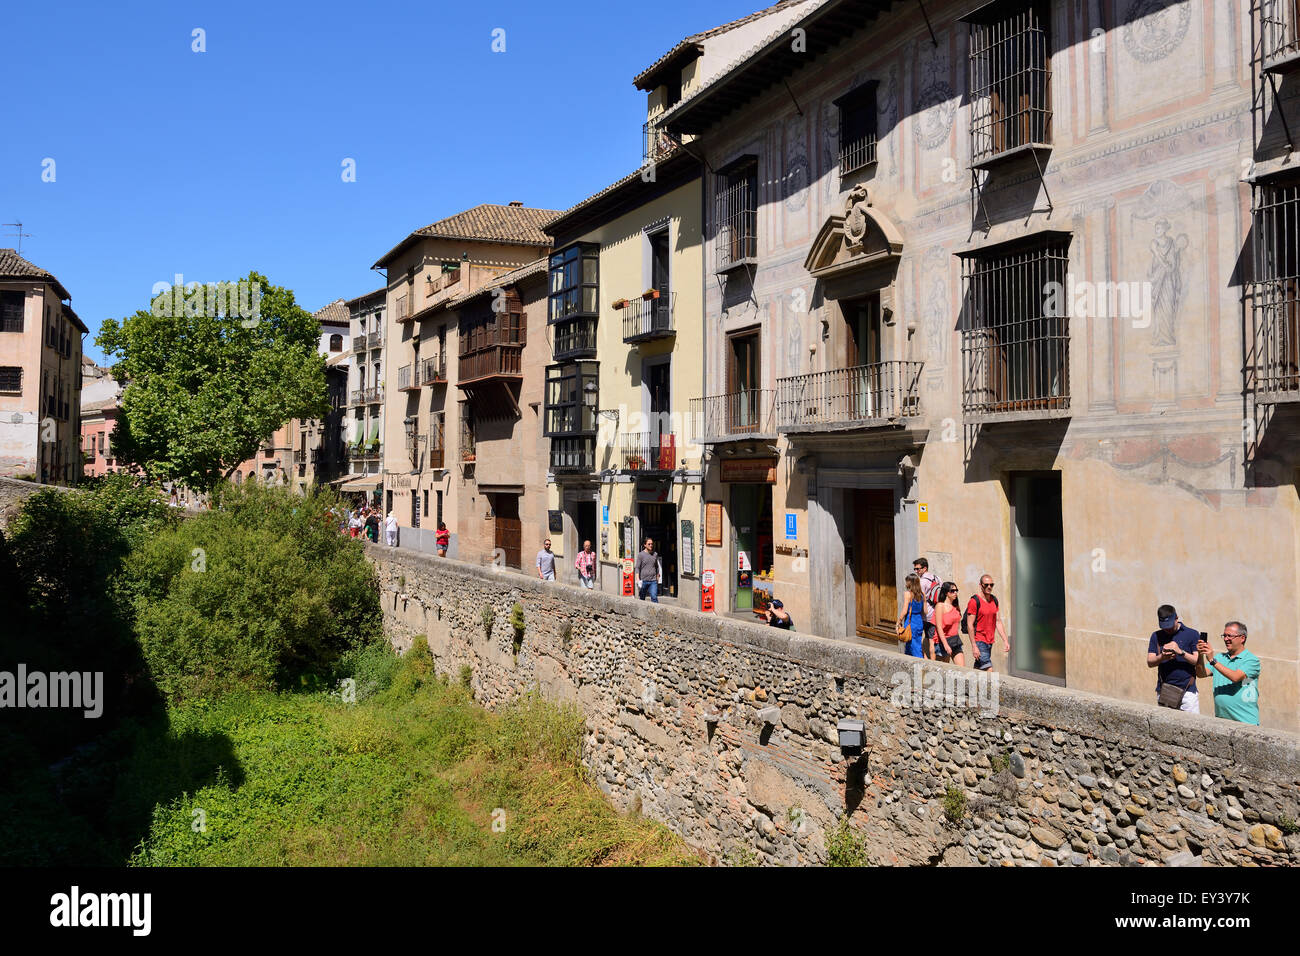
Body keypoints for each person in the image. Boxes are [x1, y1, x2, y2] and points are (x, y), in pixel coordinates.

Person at [1146, 604, 1207, 713]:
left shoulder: (1192, 634)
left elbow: (1196, 661)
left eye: (1169, 626)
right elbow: (1150, 662)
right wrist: (1162, 657)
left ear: (1177, 618)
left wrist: (1181, 652)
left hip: (1188, 692)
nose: (1167, 630)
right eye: (1164, 626)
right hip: (1165, 690)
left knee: (1192, 725)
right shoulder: (1156, 635)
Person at [1198, 621, 1259, 724]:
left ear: (1242, 638)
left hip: (1246, 722)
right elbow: (1201, 674)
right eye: (1224, 636)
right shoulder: (1220, 658)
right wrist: (1200, 655)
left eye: (1230, 636)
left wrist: (1212, 661)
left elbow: (1235, 677)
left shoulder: (1251, 660)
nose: (1226, 639)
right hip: (1222, 721)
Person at [964, 574, 1010, 672]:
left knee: (979, 669)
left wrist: (1005, 640)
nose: (989, 587)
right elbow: (970, 625)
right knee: (989, 669)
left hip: (990, 640)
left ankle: (971, 686)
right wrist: (974, 645)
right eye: (986, 585)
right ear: (980, 585)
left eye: (991, 585)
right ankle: (993, 687)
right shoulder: (974, 601)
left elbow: (998, 621)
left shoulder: (994, 600)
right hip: (979, 640)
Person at [913, 557, 941, 658]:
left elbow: (919, 598)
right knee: (932, 640)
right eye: (915, 569)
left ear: (925, 568)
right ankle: (932, 662)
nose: (916, 571)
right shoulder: (937, 578)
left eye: (918, 569)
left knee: (922, 639)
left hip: (925, 614)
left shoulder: (921, 582)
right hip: (935, 613)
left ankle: (925, 660)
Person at [933, 581, 965, 666]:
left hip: (955, 640)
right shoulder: (940, 606)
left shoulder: (956, 606)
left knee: (962, 669)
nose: (955, 593)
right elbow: (939, 627)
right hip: (943, 641)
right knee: (942, 672)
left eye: (956, 590)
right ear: (946, 593)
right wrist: (946, 645)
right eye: (952, 591)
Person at [897, 573, 926, 658]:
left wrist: (898, 621)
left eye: (907, 582)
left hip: (910, 621)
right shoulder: (922, 594)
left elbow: (905, 610)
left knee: (914, 647)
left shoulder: (908, 594)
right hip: (919, 621)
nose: (906, 584)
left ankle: (920, 666)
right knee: (913, 645)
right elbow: (925, 611)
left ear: (910, 583)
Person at [635, 538, 662, 602]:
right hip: (643, 581)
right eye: (649, 544)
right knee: (642, 598)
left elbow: (657, 567)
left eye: (652, 544)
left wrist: (657, 578)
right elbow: (637, 568)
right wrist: (638, 580)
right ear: (645, 545)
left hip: (653, 581)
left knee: (654, 597)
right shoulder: (641, 555)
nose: (651, 545)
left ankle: (656, 611)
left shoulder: (655, 554)